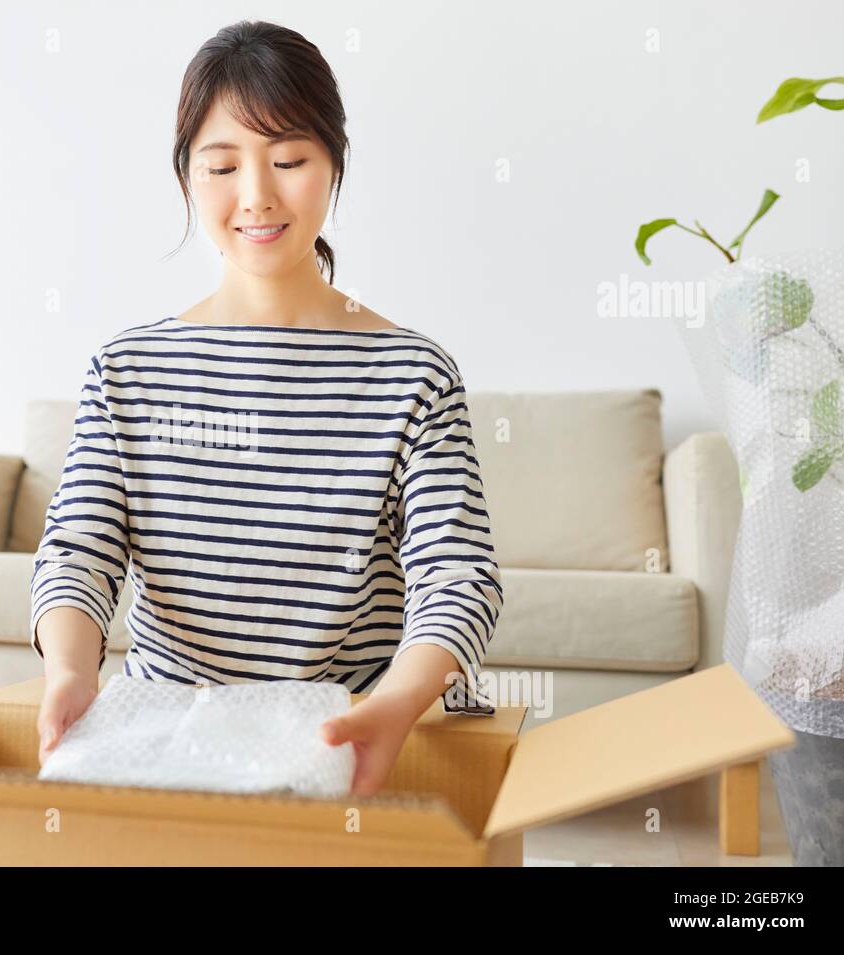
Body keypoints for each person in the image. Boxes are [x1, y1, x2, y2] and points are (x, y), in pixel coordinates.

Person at [30, 20, 503, 795]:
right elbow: (77, 553)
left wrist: (393, 707)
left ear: (333, 167)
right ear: (186, 176)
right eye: (221, 166)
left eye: (289, 160)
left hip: (338, 743)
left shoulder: (413, 373)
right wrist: (71, 674)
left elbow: (458, 577)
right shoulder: (127, 370)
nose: (256, 196)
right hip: (162, 745)